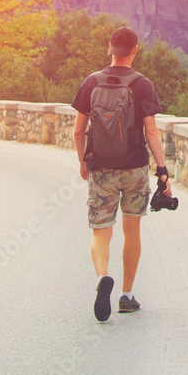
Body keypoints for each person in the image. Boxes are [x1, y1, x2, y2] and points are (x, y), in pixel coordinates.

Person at [72, 26, 172, 322]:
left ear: (110, 48)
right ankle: (127, 295)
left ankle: (103, 277)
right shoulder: (143, 84)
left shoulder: (91, 82)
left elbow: (78, 131)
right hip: (134, 168)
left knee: (101, 233)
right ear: (134, 50)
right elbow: (151, 131)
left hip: (101, 168)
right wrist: (162, 170)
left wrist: (83, 162)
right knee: (132, 230)